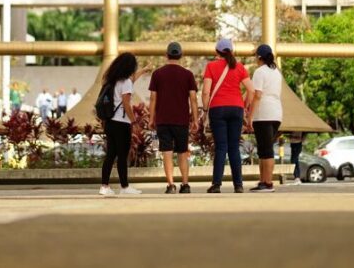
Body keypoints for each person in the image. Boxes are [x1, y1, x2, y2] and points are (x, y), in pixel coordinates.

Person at [202, 38, 255, 193]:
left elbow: (206, 91)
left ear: (216, 52)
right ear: (231, 51)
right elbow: (251, 90)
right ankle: (238, 185)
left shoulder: (211, 66)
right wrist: (244, 105)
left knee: (221, 148)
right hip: (236, 108)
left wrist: (205, 109)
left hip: (217, 108)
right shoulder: (239, 67)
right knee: (234, 148)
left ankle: (216, 184)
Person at [149, 42, 199, 194]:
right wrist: (195, 119)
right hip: (181, 120)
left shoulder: (157, 74)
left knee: (167, 152)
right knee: (182, 152)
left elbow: (152, 99)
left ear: (166, 55)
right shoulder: (188, 74)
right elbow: (193, 99)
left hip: (163, 120)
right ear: (181, 56)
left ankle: (171, 185)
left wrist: (151, 118)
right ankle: (185, 184)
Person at [99, 53, 152, 196]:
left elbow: (132, 79)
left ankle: (104, 186)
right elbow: (126, 104)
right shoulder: (126, 83)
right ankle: (124, 187)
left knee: (111, 154)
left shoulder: (111, 80)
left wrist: (144, 70)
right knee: (122, 155)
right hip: (122, 123)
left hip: (109, 122)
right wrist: (134, 121)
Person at [246, 44, 283, 192]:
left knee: (266, 150)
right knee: (264, 149)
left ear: (259, 57)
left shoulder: (260, 72)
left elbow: (257, 95)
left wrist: (250, 116)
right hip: (276, 113)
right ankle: (263, 181)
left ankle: (268, 183)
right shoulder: (276, 72)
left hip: (264, 114)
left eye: (255, 56)